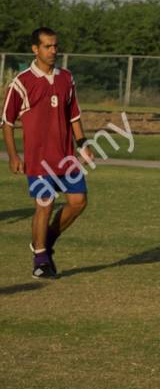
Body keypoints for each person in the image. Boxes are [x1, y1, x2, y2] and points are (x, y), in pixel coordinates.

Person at [3, 27, 94, 279]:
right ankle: (40, 260)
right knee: (45, 204)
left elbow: (73, 115)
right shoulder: (22, 82)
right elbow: (7, 122)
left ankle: (46, 240)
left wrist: (83, 143)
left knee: (78, 202)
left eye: (55, 46)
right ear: (35, 49)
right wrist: (13, 155)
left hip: (66, 156)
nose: (53, 50)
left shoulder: (66, 77)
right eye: (47, 46)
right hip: (38, 158)